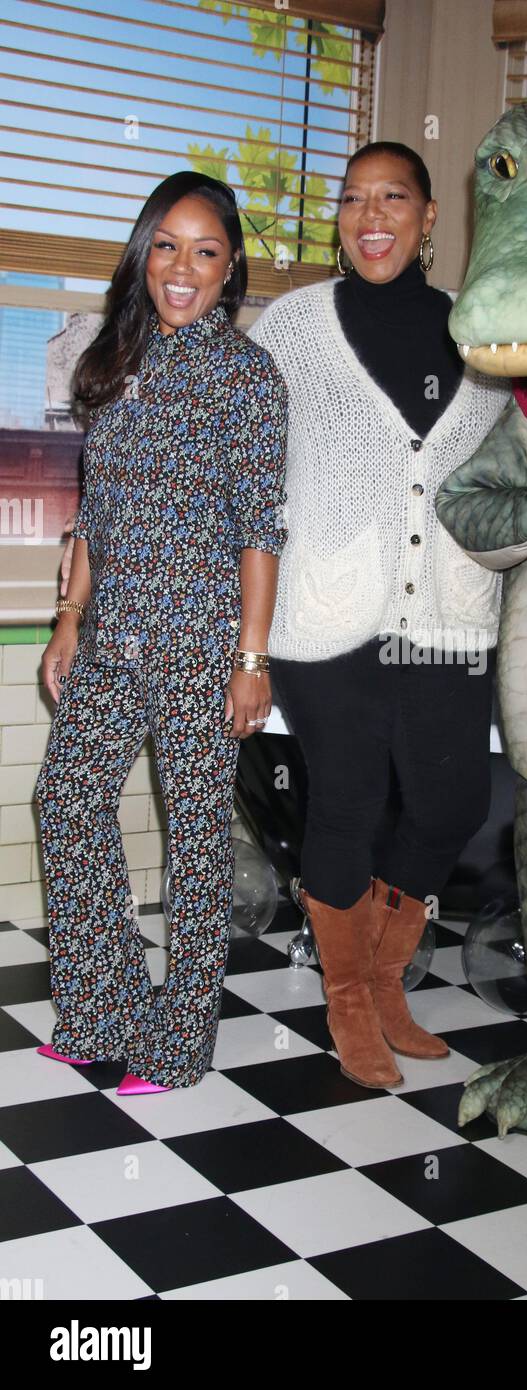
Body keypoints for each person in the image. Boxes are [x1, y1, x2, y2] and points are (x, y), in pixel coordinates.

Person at [247, 142, 510, 1089]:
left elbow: (509, 471)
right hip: (324, 609)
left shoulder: (480, 337)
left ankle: (387, 979)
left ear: (429, 215)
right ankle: (349, 1001)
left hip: (445, 608)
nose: (372, 215)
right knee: (350, 797)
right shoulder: (295, 327)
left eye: (394, 197)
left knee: (452, 804)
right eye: (354, 198)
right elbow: (247, 468)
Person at [34, 171, 289, 1094]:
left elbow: (261, 529)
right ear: (146, 254)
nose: (183, 269)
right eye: (168, 247)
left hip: (199, 641)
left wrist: (249, 661)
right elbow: (94, 514)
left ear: (231, 270)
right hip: (110, 637)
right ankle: (100, 1011)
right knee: (67, 803)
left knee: (195, 840)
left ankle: (177, 1047)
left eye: (207, 251)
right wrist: (68, 620)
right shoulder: (113, 365)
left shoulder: (248, 376)